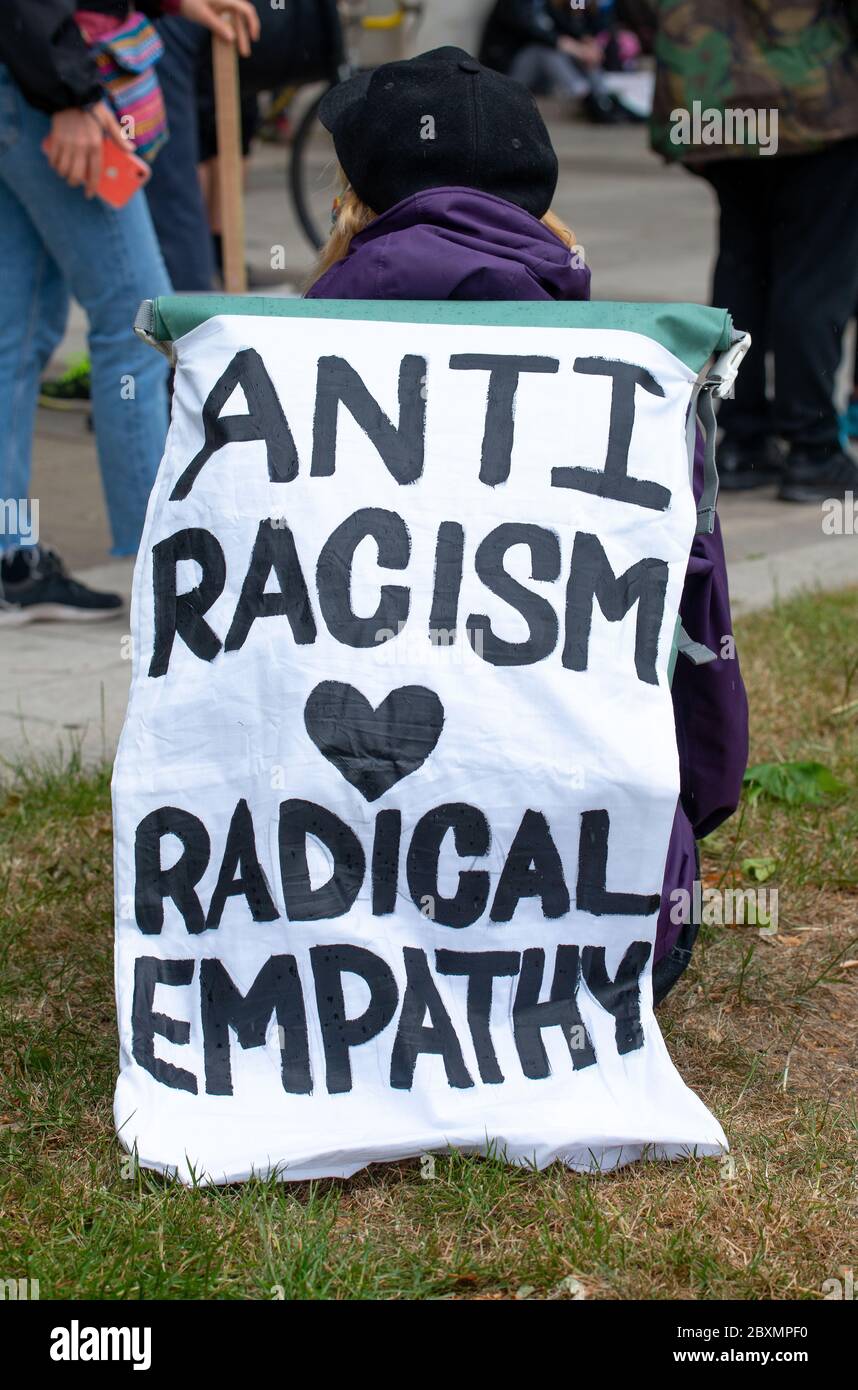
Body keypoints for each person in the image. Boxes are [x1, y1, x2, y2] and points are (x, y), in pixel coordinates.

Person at [305, 45, 749, 1000]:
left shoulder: (273, 374)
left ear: (356, 201)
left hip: (307, 933)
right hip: (606, 929)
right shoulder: (640, 389)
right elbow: (701, 667)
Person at [0, 0, 255, 625]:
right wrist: (69, 94)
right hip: (45, 88)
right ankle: (159, 569)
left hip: (27, 77)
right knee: (136, 327)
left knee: (19, 338)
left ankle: (11, 557)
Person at [645, 0, 858, 501]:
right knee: (813, 276)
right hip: (810, 104)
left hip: (711, 98)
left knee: (745, 266)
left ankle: (743, 438)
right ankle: (812, 447)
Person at [479, 0, 640, 124]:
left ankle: (604, 97)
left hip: (539, 74)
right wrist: (573, 47)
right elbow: (531, 31)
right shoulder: (513, 3)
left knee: (579, 52)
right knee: (545, 50)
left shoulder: (543, 3)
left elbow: (562, 24)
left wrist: (584, 42)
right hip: (505, 73)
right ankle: (585, 96)